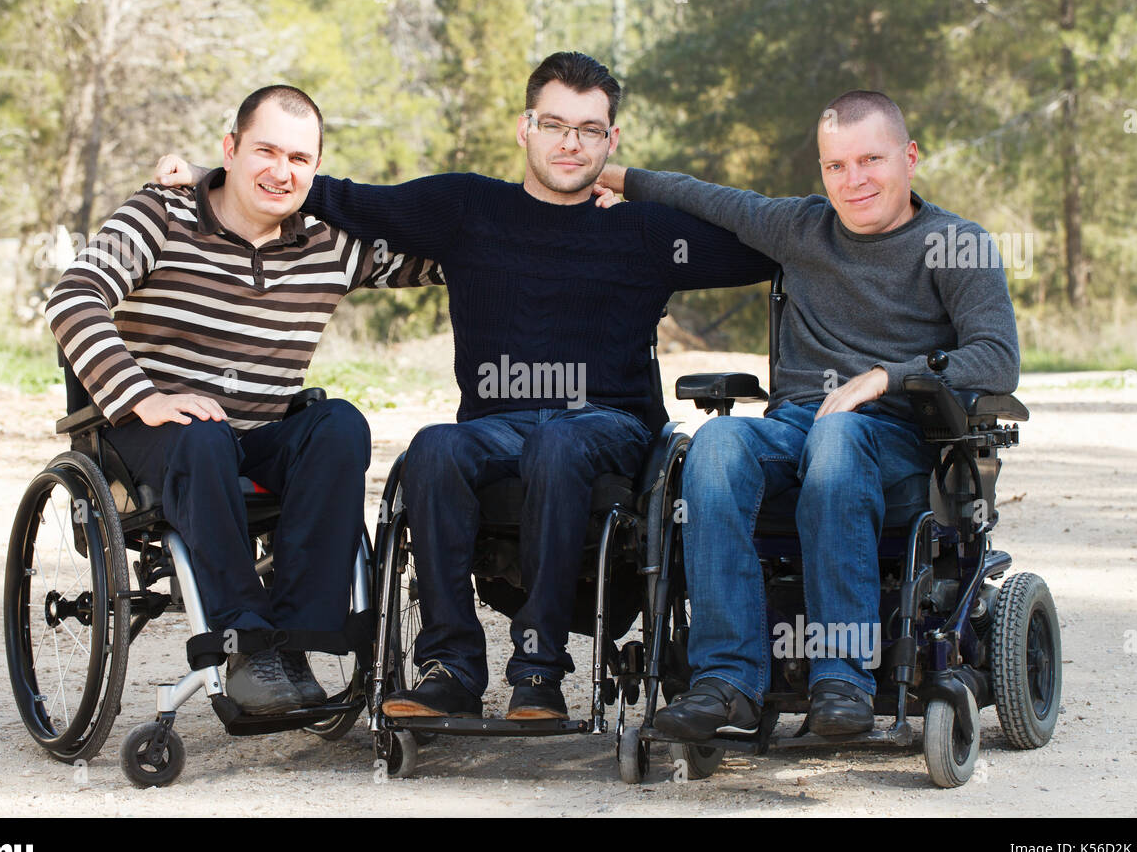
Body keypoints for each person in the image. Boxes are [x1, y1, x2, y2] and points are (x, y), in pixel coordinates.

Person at [158, 51, 778, 721]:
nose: (570, 142)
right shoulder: (466, 208)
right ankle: (450, 666)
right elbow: (346, 198)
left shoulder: (643, 230)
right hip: (495, 425)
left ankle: (537, 672)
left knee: (561, 444)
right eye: (554, 124)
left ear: (612, 140)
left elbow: (768, 237)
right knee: (432, 447)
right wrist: (207, 176)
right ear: (524, 128)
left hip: (610, 425)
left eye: (591, 130)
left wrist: (642, 185)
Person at [594, 90, 1021, 739]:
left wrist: (886, 378)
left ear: (910, 157)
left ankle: (843, 681)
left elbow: (996, 359)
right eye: (835, 166)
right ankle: (726, 680)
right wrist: (607, 176)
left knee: (841, 437)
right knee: (717, 443)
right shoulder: (801, 227)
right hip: (798, 425)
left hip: (904, 438)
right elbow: (706, 196)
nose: (853, 182)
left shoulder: (956, 244)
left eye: (870, 160)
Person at [46, 85, 440, 715]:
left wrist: (570, 212)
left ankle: (299, 637)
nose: (281, 172)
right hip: (152, 435)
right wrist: (141, 395)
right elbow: (74, 296)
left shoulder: (330, 241)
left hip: (258, 433)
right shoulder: (161, 214)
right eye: (264, 151)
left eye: (300, 159)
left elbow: (455, 259)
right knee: (203, 435)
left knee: (340, 425)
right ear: (229, 149)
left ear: (317, 168)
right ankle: (244, 641)